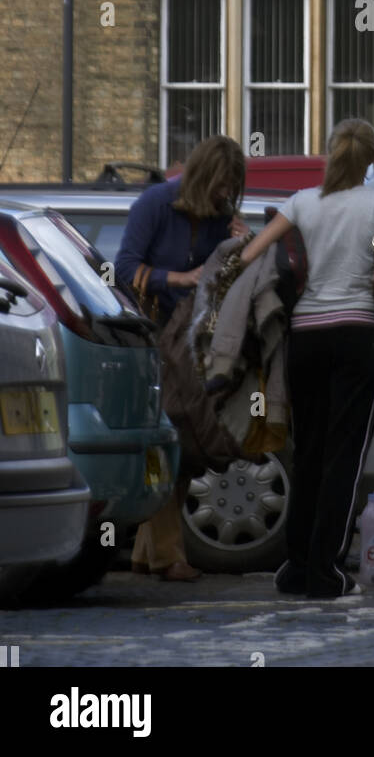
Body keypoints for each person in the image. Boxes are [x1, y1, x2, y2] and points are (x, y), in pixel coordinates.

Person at [238, 118, 374, 600]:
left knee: (310, 453)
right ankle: (327, 569)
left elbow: (250, 255)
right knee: (346, 455)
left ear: (329, 153)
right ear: (371, 159)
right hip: (356, 335)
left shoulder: (300, 202)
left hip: (305, 338)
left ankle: (296, 565)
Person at [115, 134, 249, 581]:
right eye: (221, 185)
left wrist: (244, 243)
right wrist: (178, 278)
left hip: (191, 345)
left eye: (232, 188)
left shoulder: (220, 213)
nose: (226, 195)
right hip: (153, 341)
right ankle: (169, 556)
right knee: (168, 440)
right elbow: (124, 267)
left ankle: (144, 554)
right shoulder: (154, 204)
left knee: (184, 445)